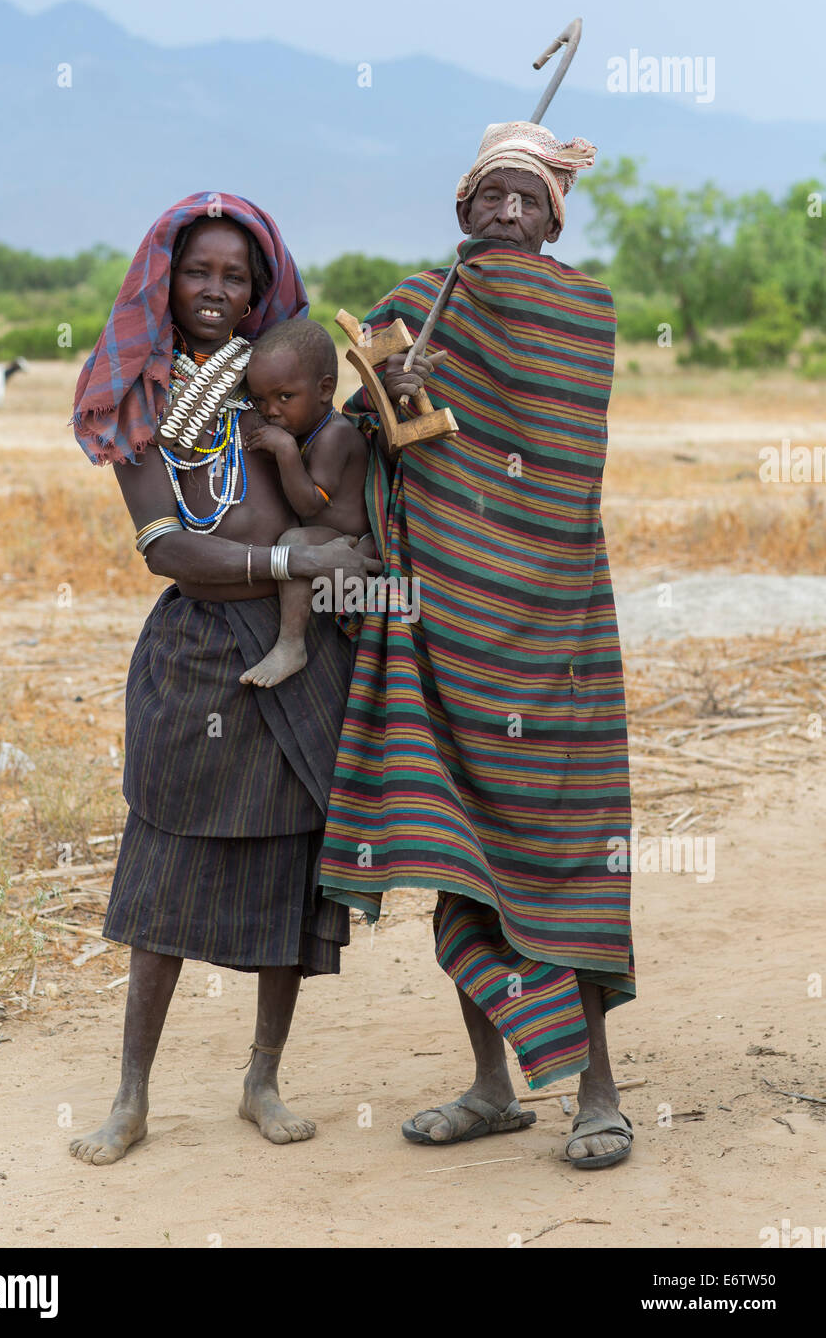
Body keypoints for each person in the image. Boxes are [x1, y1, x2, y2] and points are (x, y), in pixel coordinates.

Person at [317, 123, 636, 1168]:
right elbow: (358, 432)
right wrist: (388, 389)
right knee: (457, 855)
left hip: (554, 625)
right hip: (439, 623)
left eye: (527, 198)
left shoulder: (584, 314)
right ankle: (490, 1086)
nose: (506, 211)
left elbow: (558, 452)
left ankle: (596, 1093)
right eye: (489, 197)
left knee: (563, 857)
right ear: (462, 213)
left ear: (556, 217)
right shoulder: (413, 304)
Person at [67, 192, 379, 1163]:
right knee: (162, 876)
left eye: (234, 275)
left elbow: (350, 451)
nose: (214, 289)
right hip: (198, 652)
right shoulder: (137, 393)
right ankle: (131, 1098)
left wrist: (387, 390)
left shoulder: (282, 381)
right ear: (167, 276)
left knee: (291, 863)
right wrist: (292, 564)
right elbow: (169, 551)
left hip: (299, 658)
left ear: (257, 289)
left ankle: (263, 1077)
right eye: (198, 270)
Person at [239, 318, 372, 688]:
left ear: (325, 389)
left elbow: (311, 504)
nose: (271, 411)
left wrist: (284, 451)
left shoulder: (335, 435)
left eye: (284, 397)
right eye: (260, 401)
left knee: (293, 545)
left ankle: (290, 645)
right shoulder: (309, 429)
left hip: (351, 544)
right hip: (330, 535)